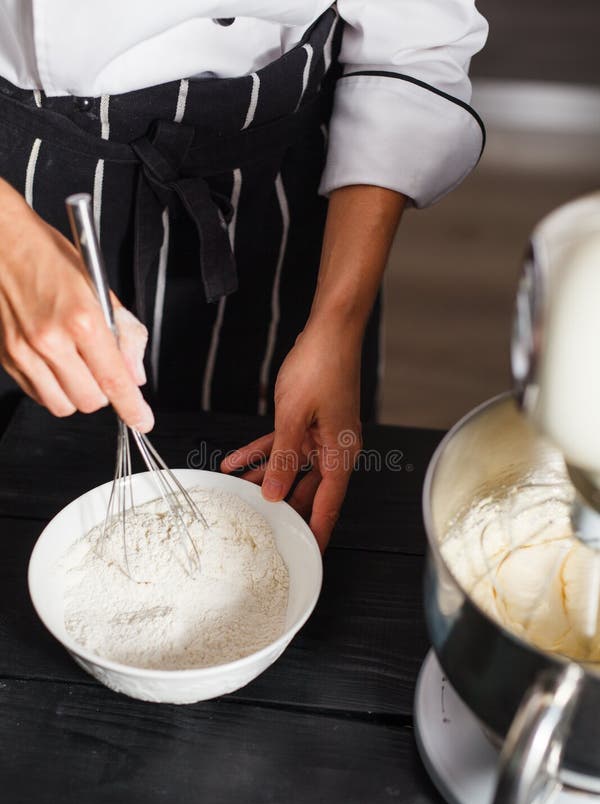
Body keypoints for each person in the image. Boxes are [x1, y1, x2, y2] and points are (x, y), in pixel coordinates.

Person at [0, 2, 488, 551]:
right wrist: (9, 241)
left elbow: (414, 39)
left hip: (274, 187)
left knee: (282, 472)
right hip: (28, 192)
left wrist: (338, 322)